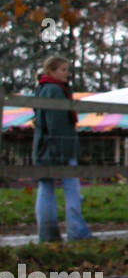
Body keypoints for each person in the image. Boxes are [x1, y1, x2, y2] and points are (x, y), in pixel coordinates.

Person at [32, 54, 92, 243]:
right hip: (60, 148)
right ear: (51, 71)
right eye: (63, 70)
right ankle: (77, 231)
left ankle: (47, 233)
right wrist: (64, 150)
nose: (67, 74)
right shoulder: (55, 91)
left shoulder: (42, 88)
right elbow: (56, 124)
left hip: (44, 148)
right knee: (72, 188)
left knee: (46, 187)